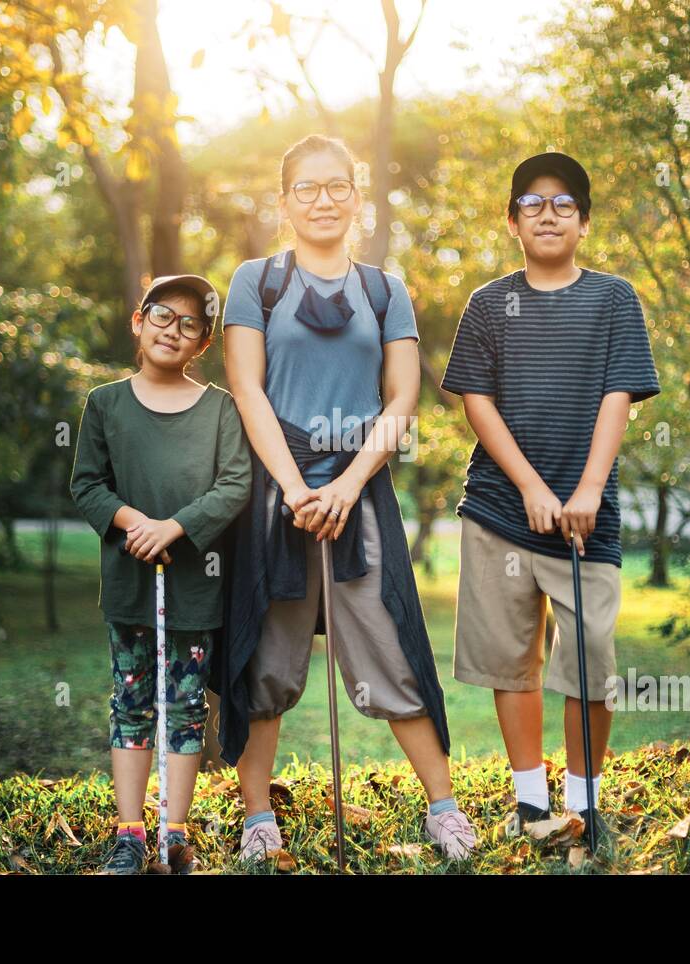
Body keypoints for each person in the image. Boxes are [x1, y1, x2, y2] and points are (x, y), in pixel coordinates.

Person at [217, 134, 476, 863]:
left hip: (360, 495)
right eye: (307, 188)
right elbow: (246, 388)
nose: (323, 199)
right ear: (284, 201)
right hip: (278, 495)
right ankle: (258, 819)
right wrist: (298, 488)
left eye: (337, 187)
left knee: (392, 644)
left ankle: (444, 809)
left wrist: (348, 483)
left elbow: (402, 398)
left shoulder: (385, 290)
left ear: (356, 199)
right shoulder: (255, 282)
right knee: (267, 657)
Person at [441, 152, 661, 853]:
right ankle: (531, 799)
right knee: (513, 660)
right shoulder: (487, 304)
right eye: (532, 203)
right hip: (502, 512)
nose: (547, 213)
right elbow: (476, 401)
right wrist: (533, 487)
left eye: (564, 203)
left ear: (585, 221)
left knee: (590, 658)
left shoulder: (614, 299)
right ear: (512, 221)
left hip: (587, 520)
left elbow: (617, 394)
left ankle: (584, 805)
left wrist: (588, 488)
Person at [70, 274, 252, 874]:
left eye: (191, 324)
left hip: (195, 586)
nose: (173, 330)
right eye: (162, 316)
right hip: (129, 585)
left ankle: (174, 830)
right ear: (138, 321)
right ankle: (130, 833)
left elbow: (235, 485)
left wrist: (174, 527)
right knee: (131, 701)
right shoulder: (105, 403)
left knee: (185, 703)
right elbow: (87, 485)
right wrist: (133, 525)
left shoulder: (220, 408)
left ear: (202, 343)